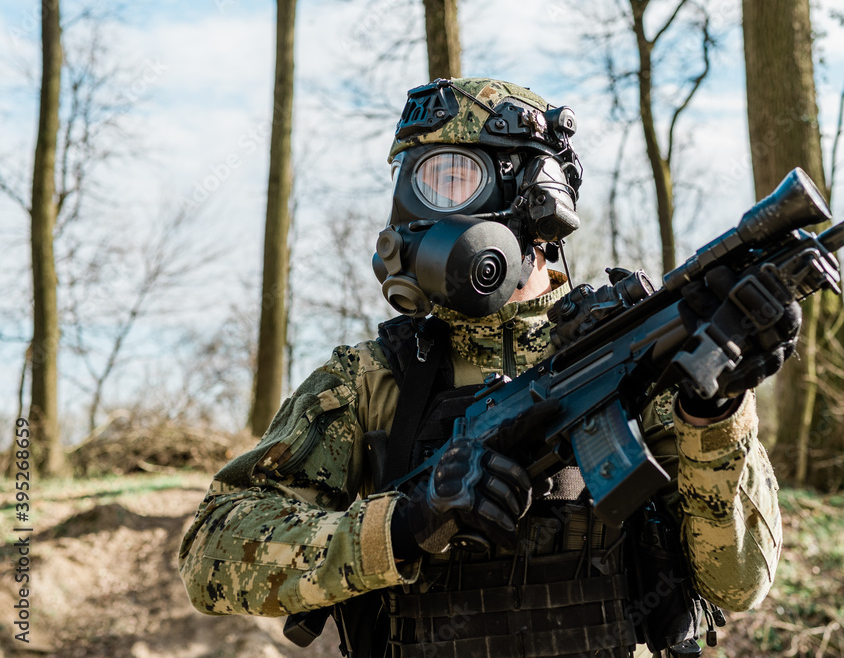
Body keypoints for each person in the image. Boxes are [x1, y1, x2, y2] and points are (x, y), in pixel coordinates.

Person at [178, 77, 797, 658]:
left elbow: (739, 585)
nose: (422, 214)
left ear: (538, 200)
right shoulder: (371, 380)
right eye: (411, 184)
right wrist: (405, 524)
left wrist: (714, 415)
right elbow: (212, 552)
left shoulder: (640, 359)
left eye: (452, 181)